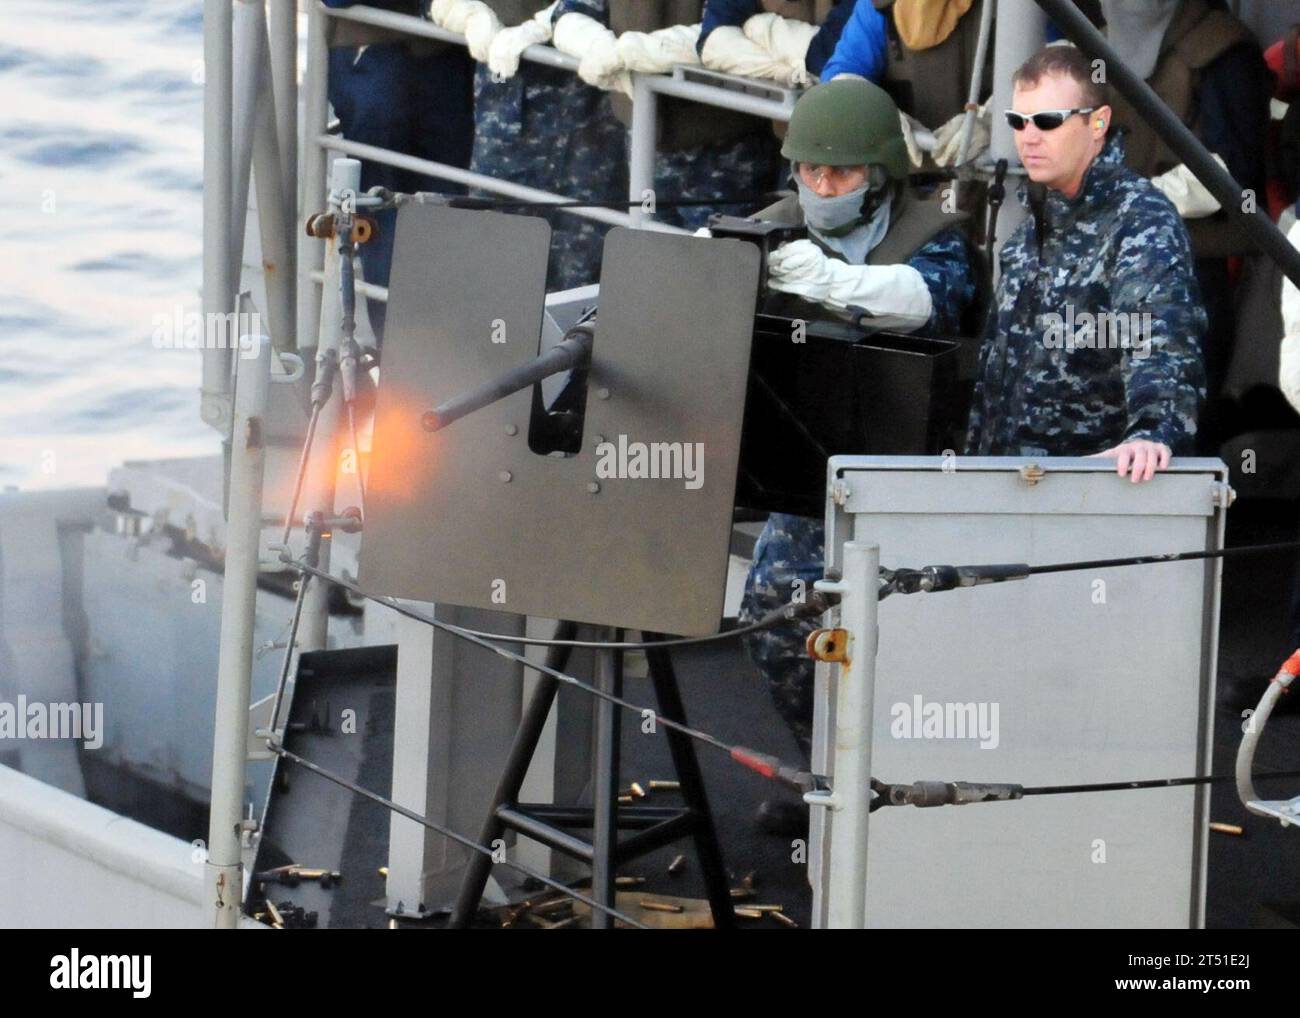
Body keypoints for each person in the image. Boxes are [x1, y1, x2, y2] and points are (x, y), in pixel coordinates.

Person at [734, 79, 977, 832]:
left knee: (913, 651)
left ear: (879, 177)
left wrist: (826, 281)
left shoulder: (933, 236)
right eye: (810, 171)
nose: (821, 186)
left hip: (916, 479)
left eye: (839, 174)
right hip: (812, 474)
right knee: (774, 620)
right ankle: (835, 781)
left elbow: (924, 300)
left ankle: (905, 800)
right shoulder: (772, 231)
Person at [965, 43, 1206, 480]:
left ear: (1098, 124)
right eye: (1018, 121)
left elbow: (1158, 344)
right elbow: (992, 387)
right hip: (1010, 493)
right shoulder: (1026, 235)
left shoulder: (1140, 222)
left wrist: (1152, 431)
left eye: (1047, 121)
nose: (1028, 136)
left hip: (1096, 497)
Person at [431, 0, 629, 292]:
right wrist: (462, 12)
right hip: (505, 113)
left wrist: (547, 24)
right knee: (493, 263)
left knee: (581, 274)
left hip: (587, 124)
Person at [324, 0, 476, 341]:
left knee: (450, 214)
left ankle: (443, 357)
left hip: (446, 52)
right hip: (373, 54)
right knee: (387, 219)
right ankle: (398, 362)